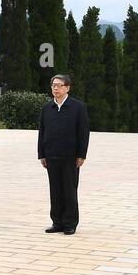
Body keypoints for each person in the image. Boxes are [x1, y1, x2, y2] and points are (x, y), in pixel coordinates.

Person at [37, 73, 89, 235]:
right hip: (51, 155)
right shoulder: (47, 108)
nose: (55, 88)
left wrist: (81, 154)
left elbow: (83, 133)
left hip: (70, 156)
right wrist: (42, 154)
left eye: (59, 85)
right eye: (53, 85)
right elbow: (42, 132)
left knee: (69, 189)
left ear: (67, 88)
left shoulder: (77, 107)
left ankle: (70, 223)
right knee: (55, 189)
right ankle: (57, 221)